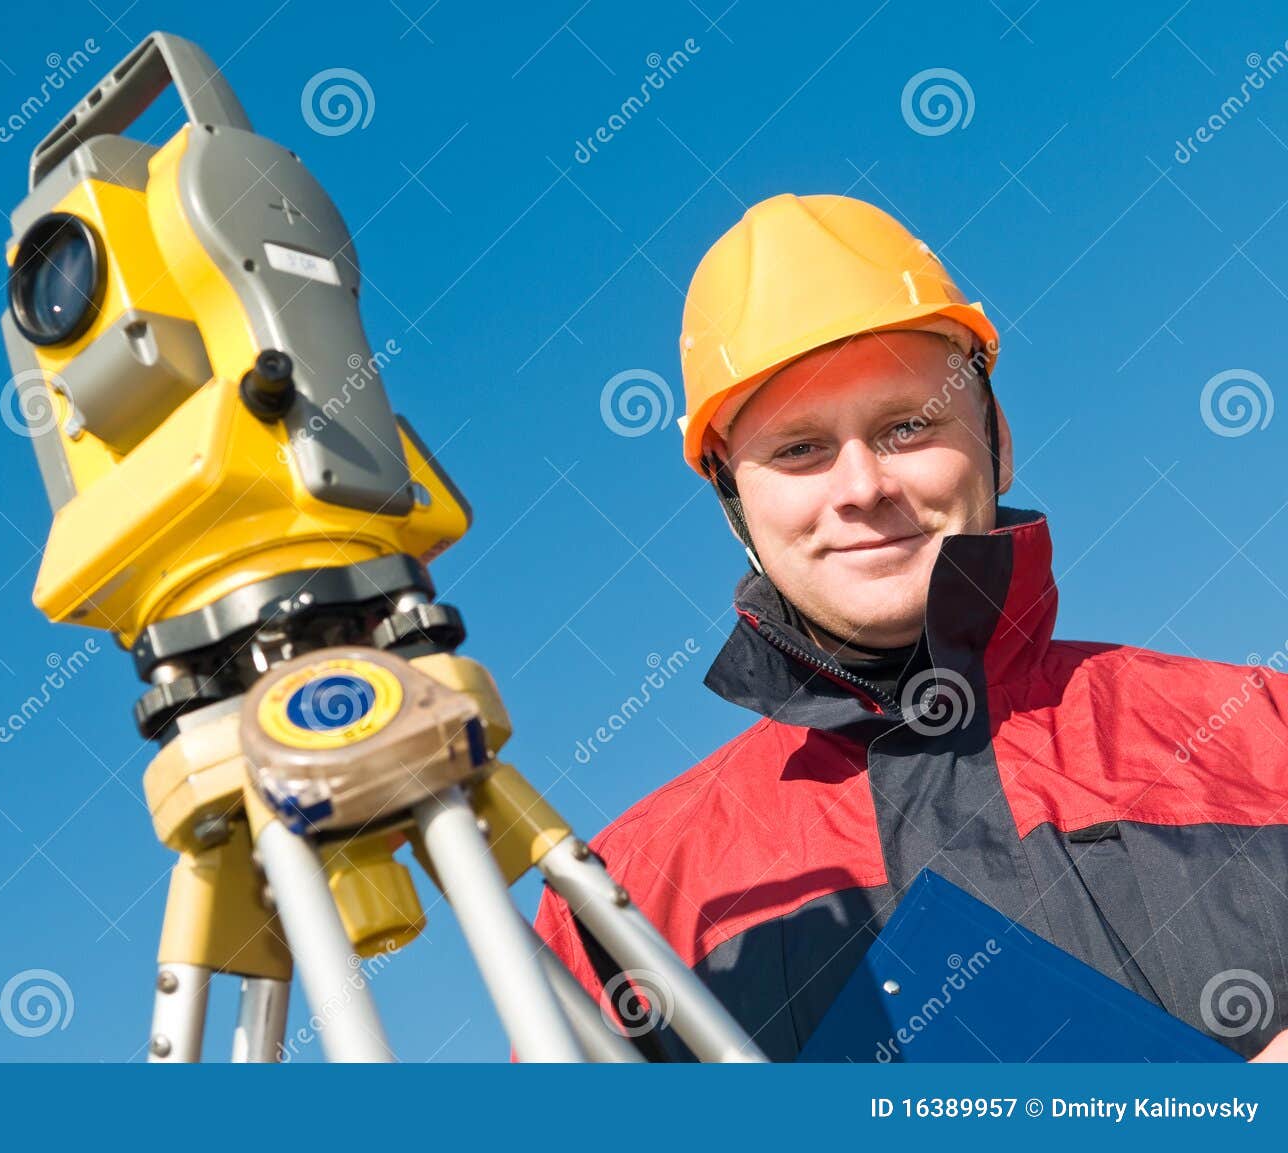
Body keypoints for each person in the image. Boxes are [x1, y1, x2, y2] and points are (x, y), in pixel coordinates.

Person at [533, 193, 1288, 1061]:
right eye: (799, 448)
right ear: (733, 501)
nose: (862, 486)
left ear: (997, 439)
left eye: (906, 426)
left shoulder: (1262, 730)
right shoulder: (622, 901)